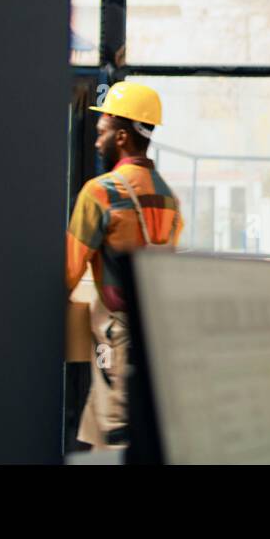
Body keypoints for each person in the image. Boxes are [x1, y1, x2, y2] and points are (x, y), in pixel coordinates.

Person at [65, 81, 183, 448]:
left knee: (117, 435)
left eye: (101, 133)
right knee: (98, 431)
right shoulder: (167, 196)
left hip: (117, 338)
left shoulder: (100, 192)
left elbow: (68, 269)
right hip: (153, 331)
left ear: (121, 136)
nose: (96, 141)